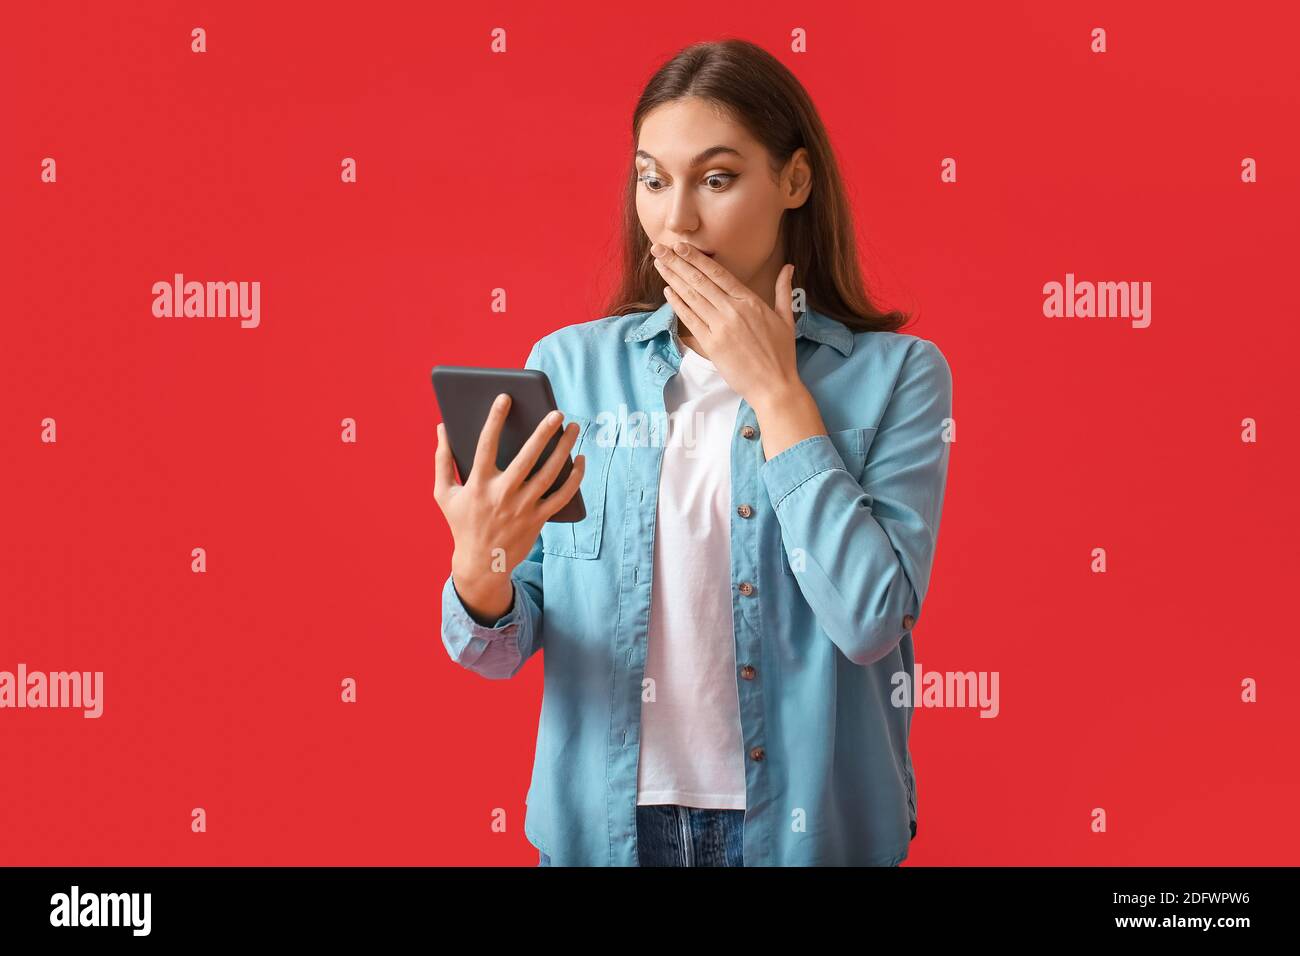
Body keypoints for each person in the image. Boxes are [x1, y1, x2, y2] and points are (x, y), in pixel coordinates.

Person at [434, 38, 952, 867]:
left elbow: (869, 622)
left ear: (794, 180)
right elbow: (493, 650)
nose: (676, 220)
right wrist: (480, 566)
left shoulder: (897, 377)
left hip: (810, 834)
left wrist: (779, 394)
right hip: (602, 834)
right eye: (652, 179)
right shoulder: (569, 367)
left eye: (716, 179)